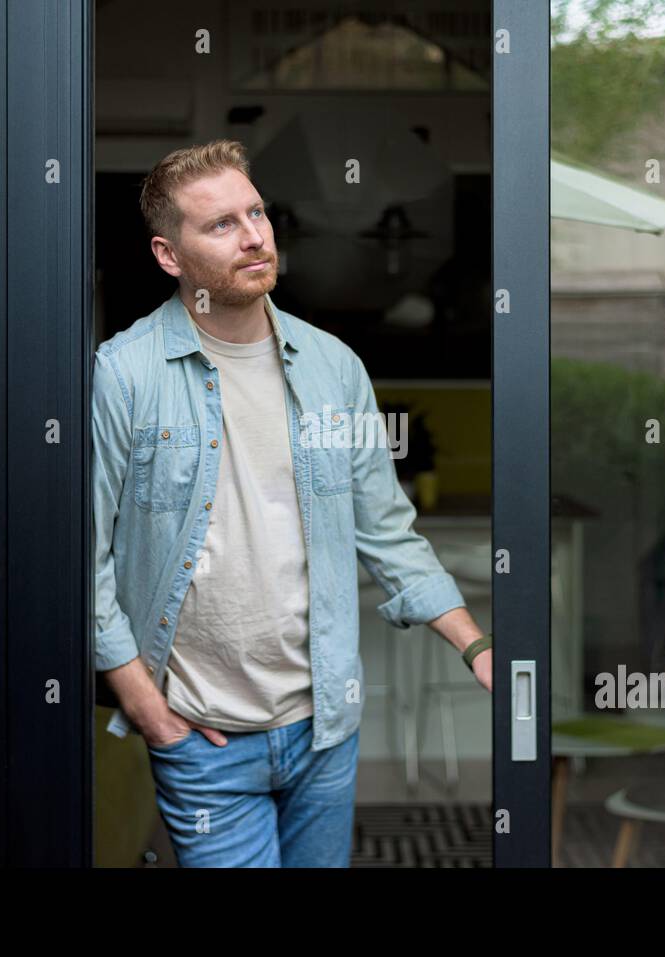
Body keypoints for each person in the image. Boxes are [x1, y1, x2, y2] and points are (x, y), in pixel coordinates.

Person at [92, 139, 492, 867]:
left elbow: (388, 530)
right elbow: (80, 558)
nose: (253, 235)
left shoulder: (335, 369)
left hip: (324, 731)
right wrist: (144, 706)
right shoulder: (124, 374)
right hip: (203, 738)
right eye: (221, 224)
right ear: (168, 255)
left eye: (258, 212)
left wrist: (474, 642)